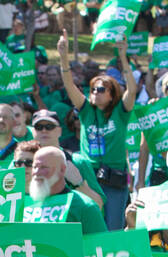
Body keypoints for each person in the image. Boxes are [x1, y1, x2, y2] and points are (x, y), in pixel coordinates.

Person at [58, 34, 136, 230]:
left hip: (115, 177)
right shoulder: (85, 111)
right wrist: (63, 56)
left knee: (113, 227)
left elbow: (132, 90)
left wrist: (123, 57)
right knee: (89, 223)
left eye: (101, 90)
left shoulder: (121, 112)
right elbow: (69, 85)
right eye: (93, 89)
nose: (95, 93)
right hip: (88, 174)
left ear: (112, 95)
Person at [22, 146, 107, 231]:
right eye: (34, 167)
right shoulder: (23, 206)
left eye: (44, 167)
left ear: (62, 170)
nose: (36, 172)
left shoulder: (84, 207)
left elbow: (100, 243)